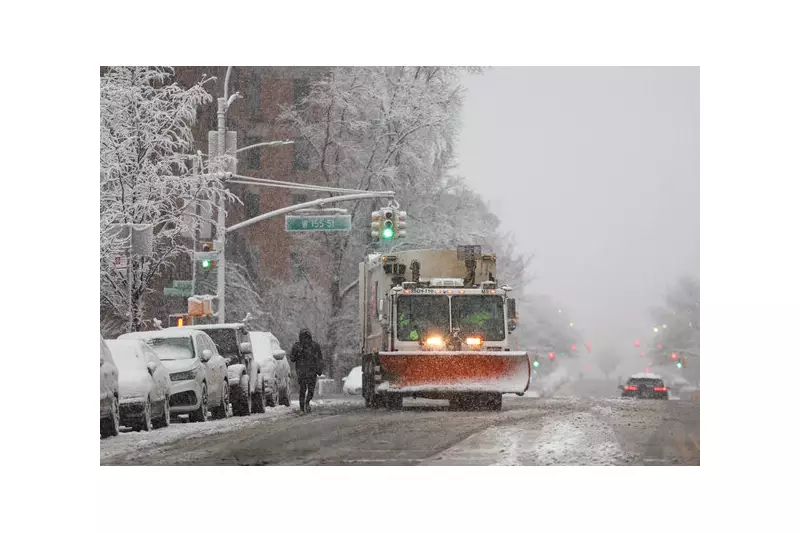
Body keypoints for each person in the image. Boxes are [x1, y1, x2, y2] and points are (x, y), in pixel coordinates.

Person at [290, 328, 323, 413]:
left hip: (311, 371)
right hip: (302, 372)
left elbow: (319, 359)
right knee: (303, 390)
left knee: (310, 390)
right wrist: (298, 353)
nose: (305, 339)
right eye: (303, 337)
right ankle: (302, 407)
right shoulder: (297, 346)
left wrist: (319, 369)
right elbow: (292, 358)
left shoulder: (315, 346)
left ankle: (307, 403)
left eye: (307, 337)